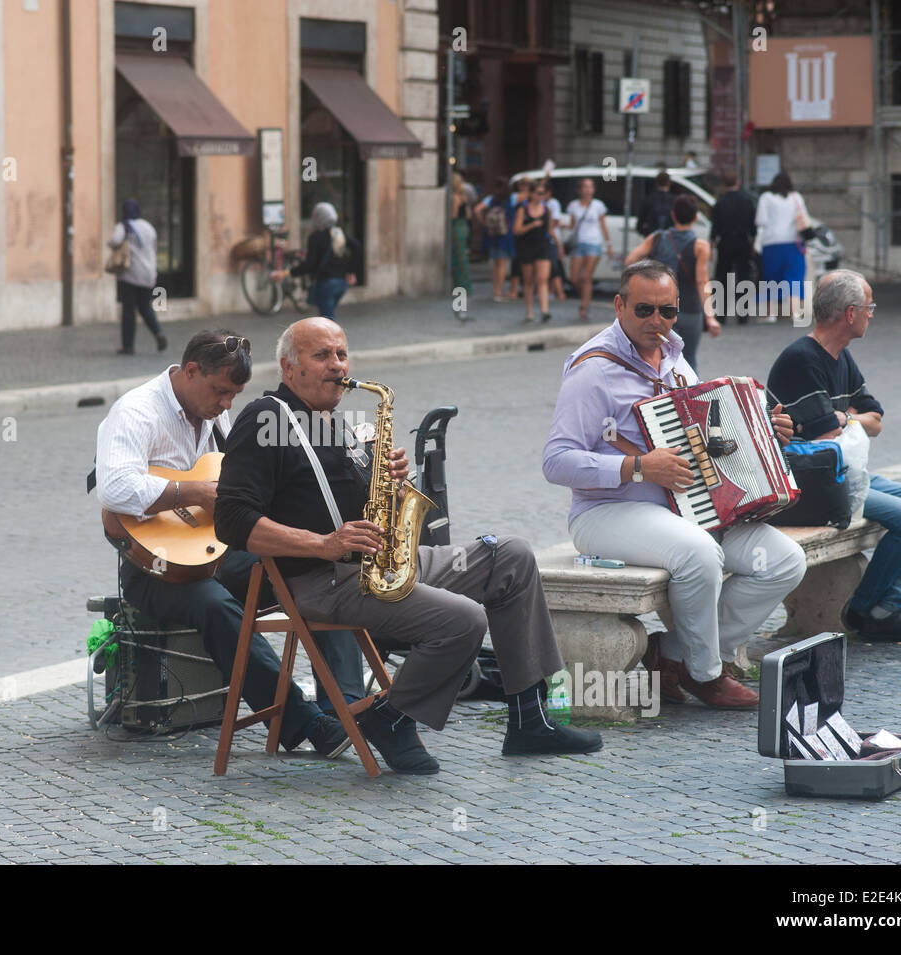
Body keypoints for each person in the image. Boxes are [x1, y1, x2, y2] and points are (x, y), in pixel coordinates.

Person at [214, 317, 602, 774]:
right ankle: (392, 717)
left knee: (512, 555)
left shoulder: (333, 423)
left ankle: (529, 720)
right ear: (288, 367)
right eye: (322, 356)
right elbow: (232, 521)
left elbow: (370, 507)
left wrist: (393, 484)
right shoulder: (264, 418)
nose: (337, 366)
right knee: (464, 620)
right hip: (322, 578)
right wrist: (323, 543)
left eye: (341, 354)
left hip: (379, 561)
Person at [542, 260, 806, 709]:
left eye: (668, 312)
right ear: (619, 305)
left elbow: (706, 438)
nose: (657, 322)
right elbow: (555, 462)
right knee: (699, 552)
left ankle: (674, 654)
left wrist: (765, 428)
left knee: (784, 560)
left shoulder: (676, 358)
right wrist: (639, 467)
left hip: (688, 506)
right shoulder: (593, 370)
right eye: (644, 310)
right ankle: (707, 674)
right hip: (607, 513)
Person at [93, 330, 368, 758]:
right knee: (217, 607)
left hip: (217, 551)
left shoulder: (219, 416)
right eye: (220, 391)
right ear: (190, 371)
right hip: (157, 568)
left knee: (312, 570)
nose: (226, 405)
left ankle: (349, 708)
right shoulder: (136, 412)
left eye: (234, 395)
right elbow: (114, 489)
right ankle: (304, 722)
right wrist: (194, 493)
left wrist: (354, 452)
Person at [767, 270, 901, 643]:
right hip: (815, 486)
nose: (872, 314)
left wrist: (849, 417)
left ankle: (888, 606)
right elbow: (827, 435)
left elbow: (875, 420)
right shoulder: (802, 359)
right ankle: (865, 610)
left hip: (847, 475)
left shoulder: (841, 357)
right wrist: (852, 421)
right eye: (868, 307)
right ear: (849, 313)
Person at [625, 194, 722, 372]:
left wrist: (652, 272)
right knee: (689, 360)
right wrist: (710, 317)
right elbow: (702, 281)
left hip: (661, 309)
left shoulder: (656, 238)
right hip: (690, 309)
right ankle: (690, 396)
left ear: (673, 215)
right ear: (694, 218)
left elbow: (630, 260)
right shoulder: (700, 246)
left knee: (661, 358)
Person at [277, 202, 360, 321]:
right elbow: (357, 247)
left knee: (327, 321)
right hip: (342, 283)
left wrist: (286, 273)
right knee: (328, 316)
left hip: (326, 283)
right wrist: (351, 271)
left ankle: (332, 339)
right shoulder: (339, 233)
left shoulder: (315, 237)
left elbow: (310, 265)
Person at [109, 198, 167, 355]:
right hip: (148, 274)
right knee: (145, 307)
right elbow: (154, 248)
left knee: (128, 311)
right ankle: (158, 332)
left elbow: (114, 241)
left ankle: (127, 346)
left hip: (130, 275)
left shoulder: (124, 226)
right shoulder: (148, 227)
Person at [754, 171, 810, 323]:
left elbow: (761, 220)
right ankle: (796, 313)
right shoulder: (796, 197)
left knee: (771, 278)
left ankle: (770, 314)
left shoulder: (766, 197)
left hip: (771, 242)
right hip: (794, 242)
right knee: (794, 277)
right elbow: (804, 218)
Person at [711, 170, 758, 324]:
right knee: (744, 278)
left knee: (722, 279)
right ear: (737, 181)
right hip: (743, 242)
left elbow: (715, 228)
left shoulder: (720, 203)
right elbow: (753, 228)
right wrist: (752, 244)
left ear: (724, 184)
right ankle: (743, 314)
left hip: (725, 243)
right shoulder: (747, 201)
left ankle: (721, 314)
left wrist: (711, 246)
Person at [565, 178, 612, 321]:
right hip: (578, 242)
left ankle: (584, 306)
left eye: (590, 187)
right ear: (580, 190)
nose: (588, 190)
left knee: (586, 277)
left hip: (594, 242)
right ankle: (586, 296)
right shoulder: (573, 206)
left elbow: (603, 225)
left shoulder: (598, 205)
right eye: (585, 187)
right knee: (574, 278)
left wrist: (608, 243)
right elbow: (572, 225)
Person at [513, 180, 556, 322]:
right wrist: (532, 225)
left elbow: (550, 229)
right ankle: (529, 311)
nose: (541, 196)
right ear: (531, 194)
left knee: (543, 279)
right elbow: (516, 230)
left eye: (543, 194)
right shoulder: (522, 209)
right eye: (538, 193)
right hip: (526, 246)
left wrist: (558, 245)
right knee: (528, 281)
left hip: (543, 245)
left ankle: (545, 311)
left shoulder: (547, 210)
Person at [476, 177, 516, 301]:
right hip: (505, 234)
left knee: (495, 264)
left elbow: (477, 209)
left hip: (493, 234)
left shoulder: (491, 199)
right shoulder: (512, 199)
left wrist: (484, 223)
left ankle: (495, 290)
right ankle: (499, 292)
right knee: (502, 264)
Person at [542, 180, 567, 302]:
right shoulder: (544, 203)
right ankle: (553, 291)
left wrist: (559, 244)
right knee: (552, 267)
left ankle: (560, 292)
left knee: (554, 267)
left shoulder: (553, 203)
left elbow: (554, 223)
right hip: (548, 240)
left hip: (552, 240)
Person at [506, 177, 531, 300]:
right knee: (516, 261)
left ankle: (529, 289)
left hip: (530, 233)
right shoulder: (515, 197)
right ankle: (514, 289)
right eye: (523, 184)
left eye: (527, 185)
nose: (524, 187)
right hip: (516, 231)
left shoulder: (534, 197)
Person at [450, 171, 472, 296]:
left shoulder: (455, 197)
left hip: (457, 226)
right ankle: (465, 286)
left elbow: (453, 214)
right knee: (462, 256)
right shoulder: (464, 196)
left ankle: (460, 285)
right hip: (464, 226)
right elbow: (469, 214)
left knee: (458, 258)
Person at [637, 170, 675, 237]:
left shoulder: (648, 199)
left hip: (653, 238)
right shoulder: (674, 201)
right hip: (670, 240)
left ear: (656, 183)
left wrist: (648, 235)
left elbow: (639, 226)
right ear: (669, 183)